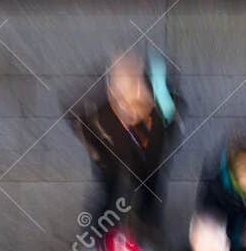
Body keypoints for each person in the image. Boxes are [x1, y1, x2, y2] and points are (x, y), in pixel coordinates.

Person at [70, 48, 179, 231]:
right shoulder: (96, 109)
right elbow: (79, 121)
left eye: (135, 104)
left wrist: (156, 146)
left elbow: (172, 120)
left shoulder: (162, 104)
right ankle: (98, 237)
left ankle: (147, 230)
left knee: (150, 189)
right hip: (110, 150)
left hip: (149, 154)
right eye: (121, 102)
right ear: (111, 93)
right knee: (109, 190)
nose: (129, 111)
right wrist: (97, 154)